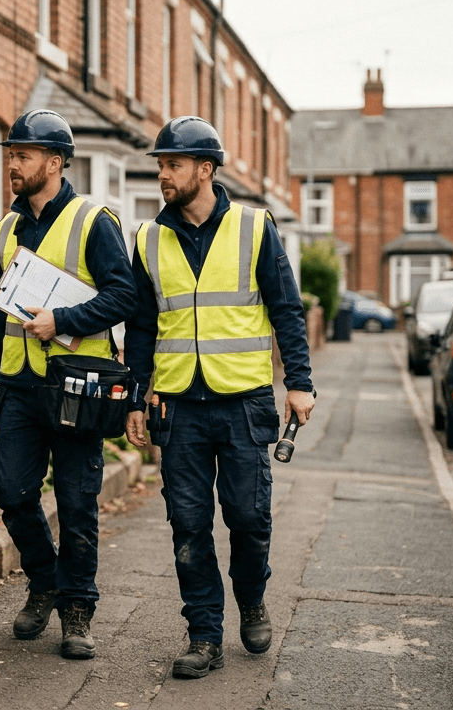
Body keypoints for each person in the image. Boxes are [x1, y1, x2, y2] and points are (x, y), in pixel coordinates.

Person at [124, 116, 315, 679]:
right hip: (178, 404)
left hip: (243, 401)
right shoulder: (149, 238)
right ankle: (204, 635)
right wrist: (134, 396)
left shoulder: (254, 228)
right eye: (161, 165)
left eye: (174, 165)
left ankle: (251, 600)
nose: (163, 175)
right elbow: (141, 325)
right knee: (188, 524)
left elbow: (286, 309)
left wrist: (299, 382)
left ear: (205, 169)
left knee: (249, 518)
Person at [0, 109, 136, 659]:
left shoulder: (94, 222)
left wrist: (61, 321)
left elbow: (124, 296)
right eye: (11, 155)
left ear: (56, 162)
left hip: (76, 388)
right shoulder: (5, 229)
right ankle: (44, 582)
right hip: (18, 387)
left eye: (23, 155)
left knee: (77, 503)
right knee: (13, 494)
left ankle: (77, 609)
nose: (13, 164)